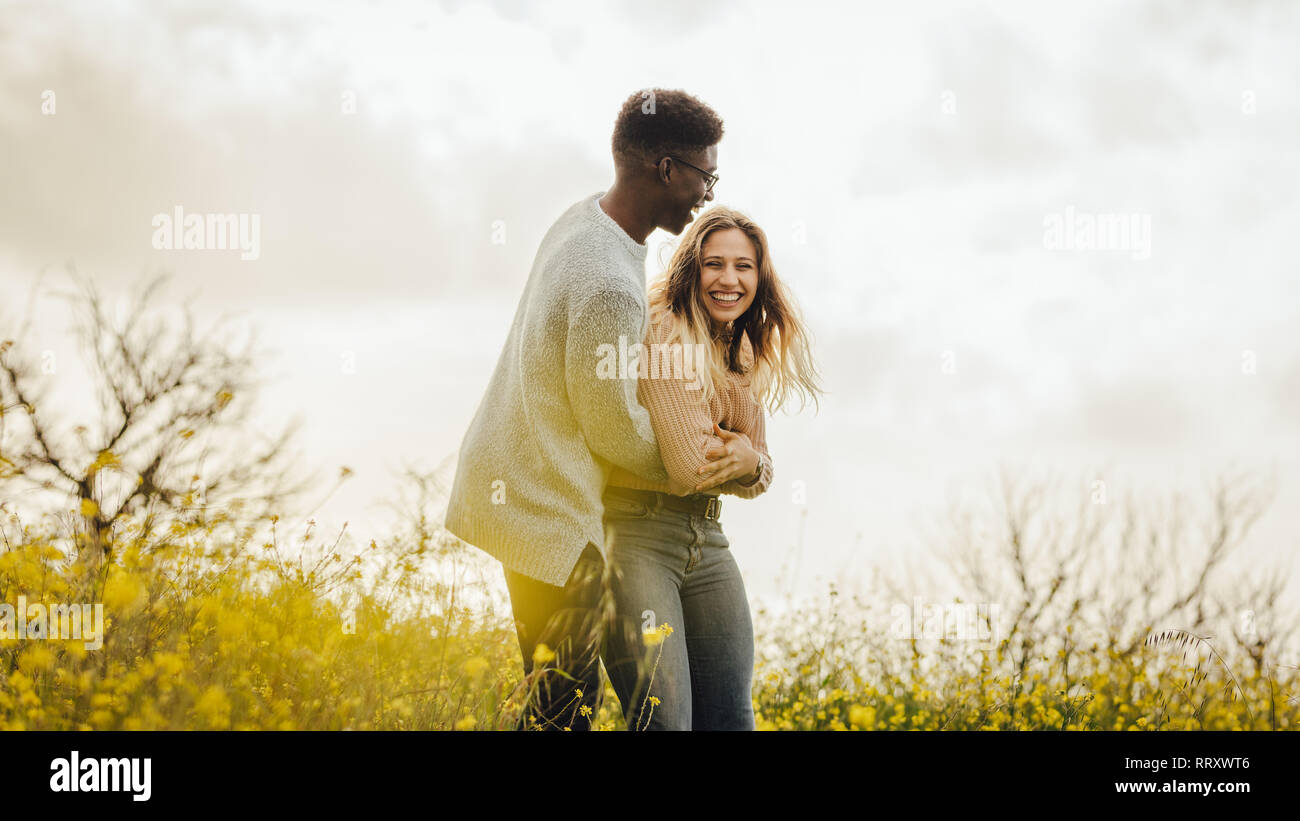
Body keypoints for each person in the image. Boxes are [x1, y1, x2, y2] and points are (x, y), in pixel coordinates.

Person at [442, 88, 724, 730]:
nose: (707, 195)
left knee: (553, 699)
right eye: (705, 176)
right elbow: (614, 428)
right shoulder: (610, 287)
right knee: (563, 710)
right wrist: (695, 467)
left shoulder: (583, 219)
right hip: (548, 512)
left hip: (516, 482)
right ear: (666, 169)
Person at [600, 206, 824, 730]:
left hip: (706, 536)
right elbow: (691, 465)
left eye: (744, 267)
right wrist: (742, 457)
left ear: (759, 277)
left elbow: (758, 468)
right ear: (690, 270)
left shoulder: (738, 347)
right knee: (665, 721)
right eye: (714, 264)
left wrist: (747, 460)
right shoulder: (665, 330)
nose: (729, 280)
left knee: (731, 718)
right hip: (635, 534)